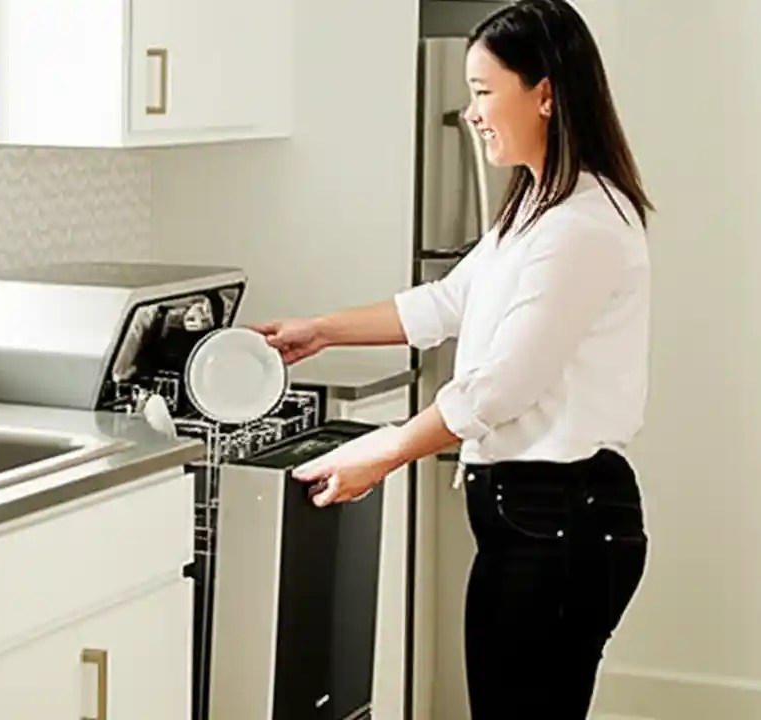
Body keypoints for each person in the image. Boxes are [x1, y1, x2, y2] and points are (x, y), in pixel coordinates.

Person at [254, 1, 651, 717]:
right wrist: (321, 330)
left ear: (547, 93)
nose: (471, 113)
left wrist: (383, 451)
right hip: (533, 520)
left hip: (563, 521)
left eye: (481, 91)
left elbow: (500, 388)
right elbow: (445, 303)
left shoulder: (582, 227)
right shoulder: (535, 208)